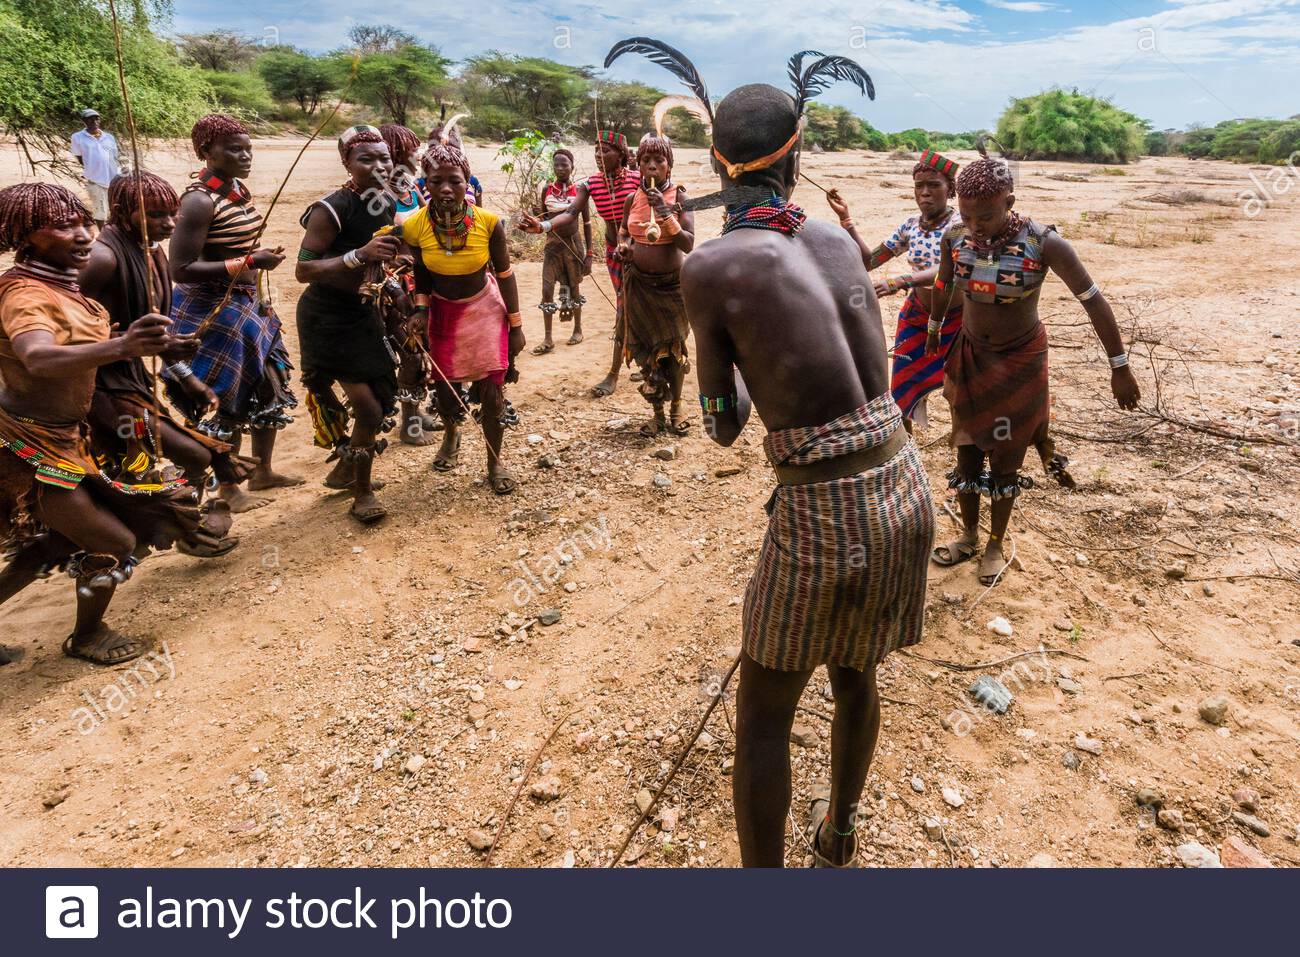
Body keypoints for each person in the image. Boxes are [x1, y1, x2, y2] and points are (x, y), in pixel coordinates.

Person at [613, 38, 933, 867]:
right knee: (857, 672)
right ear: (795, 159)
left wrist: (744, 370)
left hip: (824, 508)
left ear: (716, 163)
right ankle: (840, 837)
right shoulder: (832, 242)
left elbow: (721, 422)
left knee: (763, 713)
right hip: (903, 478)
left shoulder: (711, 265)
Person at [0, 183, 234, 665]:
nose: (84, 234)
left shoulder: (62, 287)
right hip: (27, 442)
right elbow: (39, 356)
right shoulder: (24, 294)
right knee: (114, 540)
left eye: (85, 221)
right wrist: (123, 348)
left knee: (56, 542)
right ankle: (87, 637)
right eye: (63, 226)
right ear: (26, 235)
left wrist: (153, 345)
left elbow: (86, 340)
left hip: (67, 434)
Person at [927, 154, 1141, 585]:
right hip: (970, 358)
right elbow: (943, 284)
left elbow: (1093, 300)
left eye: (985, 215)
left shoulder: (1043, 243)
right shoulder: (955, 237)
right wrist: (934, 328)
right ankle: (968, 535)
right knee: (967, 452)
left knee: (1006, 458)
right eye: (967, 214)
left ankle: (995, 544)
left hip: (1019, 363)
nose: (975, 225)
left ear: (1010, 201)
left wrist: (1120, 366)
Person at [79, 171, 254, 549]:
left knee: (177, 457)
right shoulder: (102, 258)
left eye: (172, 214)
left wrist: (183, 370)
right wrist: (129, 343)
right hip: (96, 389)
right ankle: (174, 530)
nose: (170, 224)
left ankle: (177, 529)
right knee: (181, 455)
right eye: (157, 215)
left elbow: (153, 336)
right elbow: (68, 335)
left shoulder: (153, 251)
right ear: (124, 212)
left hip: (130, 381)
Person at [168, 114, 301, 513]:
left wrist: (256, 263)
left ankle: (262, 470)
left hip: (248, 302)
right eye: (234, 149)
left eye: (248, 148)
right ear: (206, 152)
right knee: (226, 396)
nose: (246, 156)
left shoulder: (235, 190)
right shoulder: (197, 201)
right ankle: (227, 486)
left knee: (267, 383)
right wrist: (245, 261)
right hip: (214, 310)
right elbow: (180, 268)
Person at [394, 135, 525, 495]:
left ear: (468, 181)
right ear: (424, 183)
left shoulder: (488, 222)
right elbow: (421, 272)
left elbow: (505, 276)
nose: (446, 189)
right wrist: (421, 308)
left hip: (484, 310)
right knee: (447, 388)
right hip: (443, 314)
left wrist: (516, 327)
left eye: (456, 180)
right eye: (436, 181)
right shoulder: (416, 225)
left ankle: (495, 461)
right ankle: (452, 434)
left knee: (492, 392)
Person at [295, 126, 404, 524]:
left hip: (364, 314)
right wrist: (359, 256)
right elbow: (304, 269)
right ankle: (362, 491)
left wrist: (391, 270)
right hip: (326, 318)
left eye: (384, 158)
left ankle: (347, 467)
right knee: (368, 407)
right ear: (347, 163)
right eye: (366, 159)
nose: (378, 166)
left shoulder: (385, 202)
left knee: (379, 398)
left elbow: (383, 253)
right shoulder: (331, 209)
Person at [827, 149, 962, 432]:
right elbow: (870, 261)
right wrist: (847, 221)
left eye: (934, 185)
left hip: (957, 318)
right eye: (919, 186)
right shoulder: (910, 226)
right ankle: (903, 446)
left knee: (959, 387)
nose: (925, 193)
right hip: (917, 317)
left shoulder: (960, 226)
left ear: (950, 189)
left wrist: (901, 280)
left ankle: (966, 450)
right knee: (901, 386)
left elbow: (947, 271)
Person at [520, 130, 640, 396]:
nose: (599, 155)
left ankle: (633, 364)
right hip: (615, 253)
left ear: (620, 154)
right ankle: (617, 372)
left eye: (605, 150)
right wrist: (543, 225)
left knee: (639, 306)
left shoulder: (637, 178)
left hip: (643, 250)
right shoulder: (590, 184)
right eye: (596, 150)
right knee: (624, 306)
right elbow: (572, 212)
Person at [616, 130, 695, 436]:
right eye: (645, 160)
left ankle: (676, 410)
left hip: (671, 288)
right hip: (638, 285)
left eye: (658, 160)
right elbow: (623, 232)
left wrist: (664, 211)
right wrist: (624, 247)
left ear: (668, 165)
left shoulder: (680, 199)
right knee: (646, 351)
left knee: (673, 351)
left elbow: (687, 244)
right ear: (638, 165)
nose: (651, 166)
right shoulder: (631, 199)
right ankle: (657, 414)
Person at [378, 123, 441, 447]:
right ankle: (409, 423)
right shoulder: (378, 197)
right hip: (393, 286)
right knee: (410, 352)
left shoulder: (411, 190)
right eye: (411, 151)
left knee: (424, 348)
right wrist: (395, 287)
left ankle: (416, 411)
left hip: (419, 279)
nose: (418, 155)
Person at [531, 148, 591, 355]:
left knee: (574, 288)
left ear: (572, 166)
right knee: (547, 289)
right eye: (556, 164)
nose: (560, 168)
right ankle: (548, 338)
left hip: (573, 245)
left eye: (564, 164)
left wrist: (589, 254)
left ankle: (578, 329)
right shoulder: (547, 189)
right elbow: (544, 218)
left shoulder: (581, 190)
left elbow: (587, 223)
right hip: (552, 246)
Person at [69, 109, 120, 229]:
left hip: (113, 179)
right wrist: (93, 168)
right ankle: (103, 235)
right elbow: (79, 157)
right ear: (84, 121)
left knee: (114, 209)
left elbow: (115, 156)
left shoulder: (109, 137)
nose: (94, 121)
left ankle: (115, 234)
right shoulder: (78, 137)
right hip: (95, 180)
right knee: (100, 210)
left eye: (96, 118)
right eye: (90, 119)